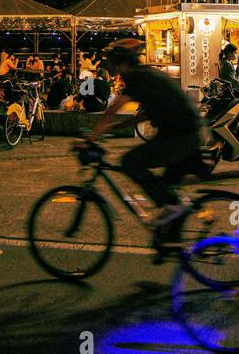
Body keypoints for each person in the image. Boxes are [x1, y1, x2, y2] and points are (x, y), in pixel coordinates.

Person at [87, 39, 204, 237]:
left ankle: (173, 210)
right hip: (189, 132)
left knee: (130, 161)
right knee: (167, 187)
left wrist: (90, 139)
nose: (113, 68)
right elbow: (145, 114)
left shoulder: (135, 77)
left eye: (113, 64)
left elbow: (112, 111)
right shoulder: (147, 75)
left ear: (119, 64)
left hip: (181, 136)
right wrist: (117, 127)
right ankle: (171, 240)